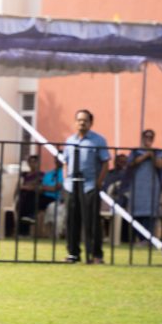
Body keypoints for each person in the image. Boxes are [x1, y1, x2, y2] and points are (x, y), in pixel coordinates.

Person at [62, 108, 109, 264]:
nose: (82, 122)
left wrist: (98, 183)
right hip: (71, 185)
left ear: (91, 123)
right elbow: (66, 162)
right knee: (71, 220)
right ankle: (73, 253)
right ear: (75, 122)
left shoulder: (98, 140)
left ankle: (95, 254)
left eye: (85, 120)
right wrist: (65, 179)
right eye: (79, 120)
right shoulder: (70, 140)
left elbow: (105, 163)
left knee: (92, 222)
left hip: (89, 185)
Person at [124, 129, 161, 239]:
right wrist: (145, 155)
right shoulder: (135, 152)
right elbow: (130, 164)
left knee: (150, 212)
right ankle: (138, 238)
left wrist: (152, 154)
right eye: (146, 137)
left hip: (152, 186)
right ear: (142, 138)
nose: (148, 139)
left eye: (151, 137)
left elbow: (160, 165)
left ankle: (148, 238)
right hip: (137, 185)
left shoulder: (158, 152)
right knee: (137, 211)